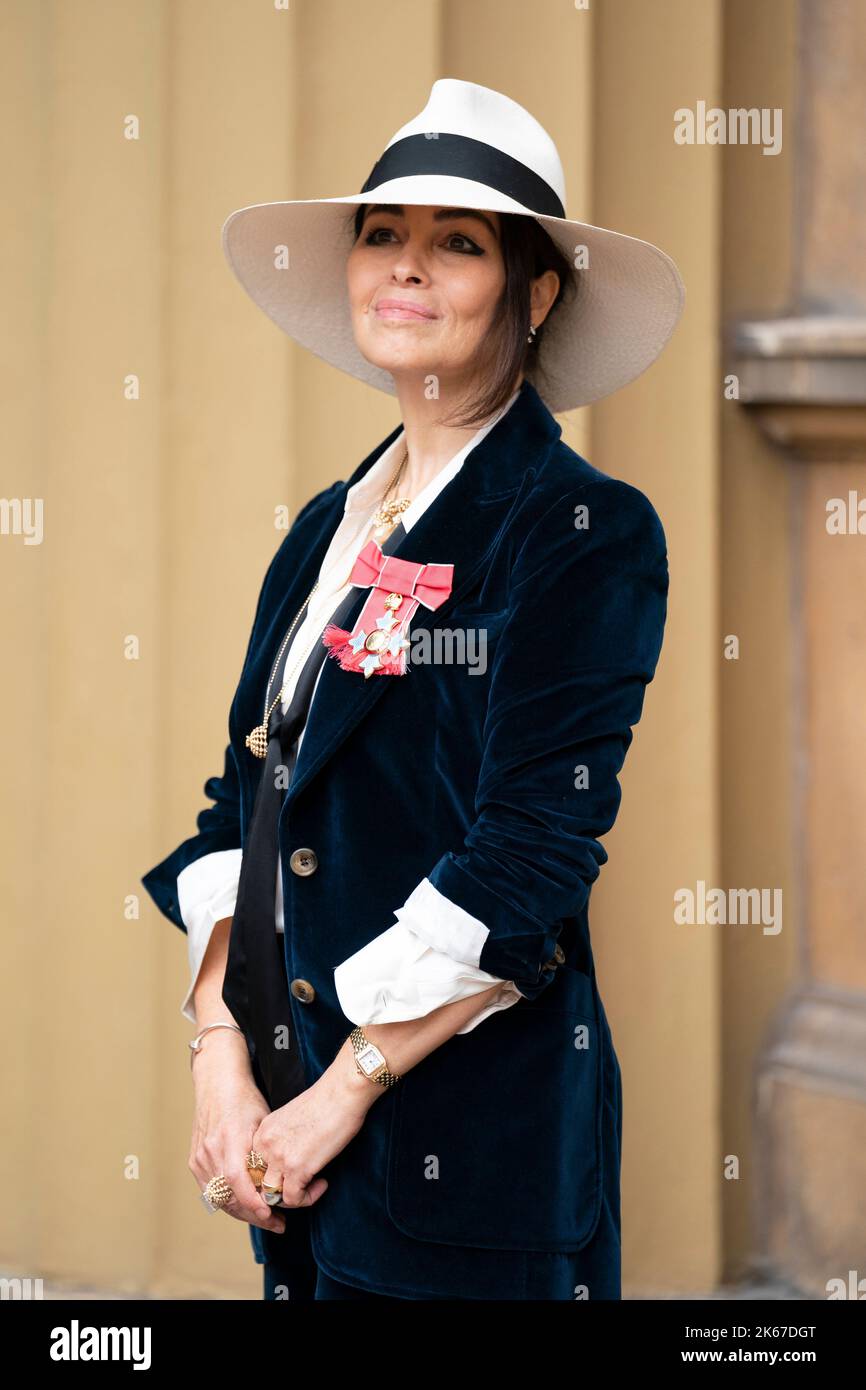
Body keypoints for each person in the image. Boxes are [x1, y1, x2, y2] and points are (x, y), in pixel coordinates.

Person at [141, 77, 684, 1301]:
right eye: (384, 235)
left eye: (458, 242)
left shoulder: (578, 528)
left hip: (467, 1172)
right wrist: (223, 1059)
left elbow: (533, 850)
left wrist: (337, 1099)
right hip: (295, 1159)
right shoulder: (325, 530)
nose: (407, 267)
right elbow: (247, 798)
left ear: (533, 292)